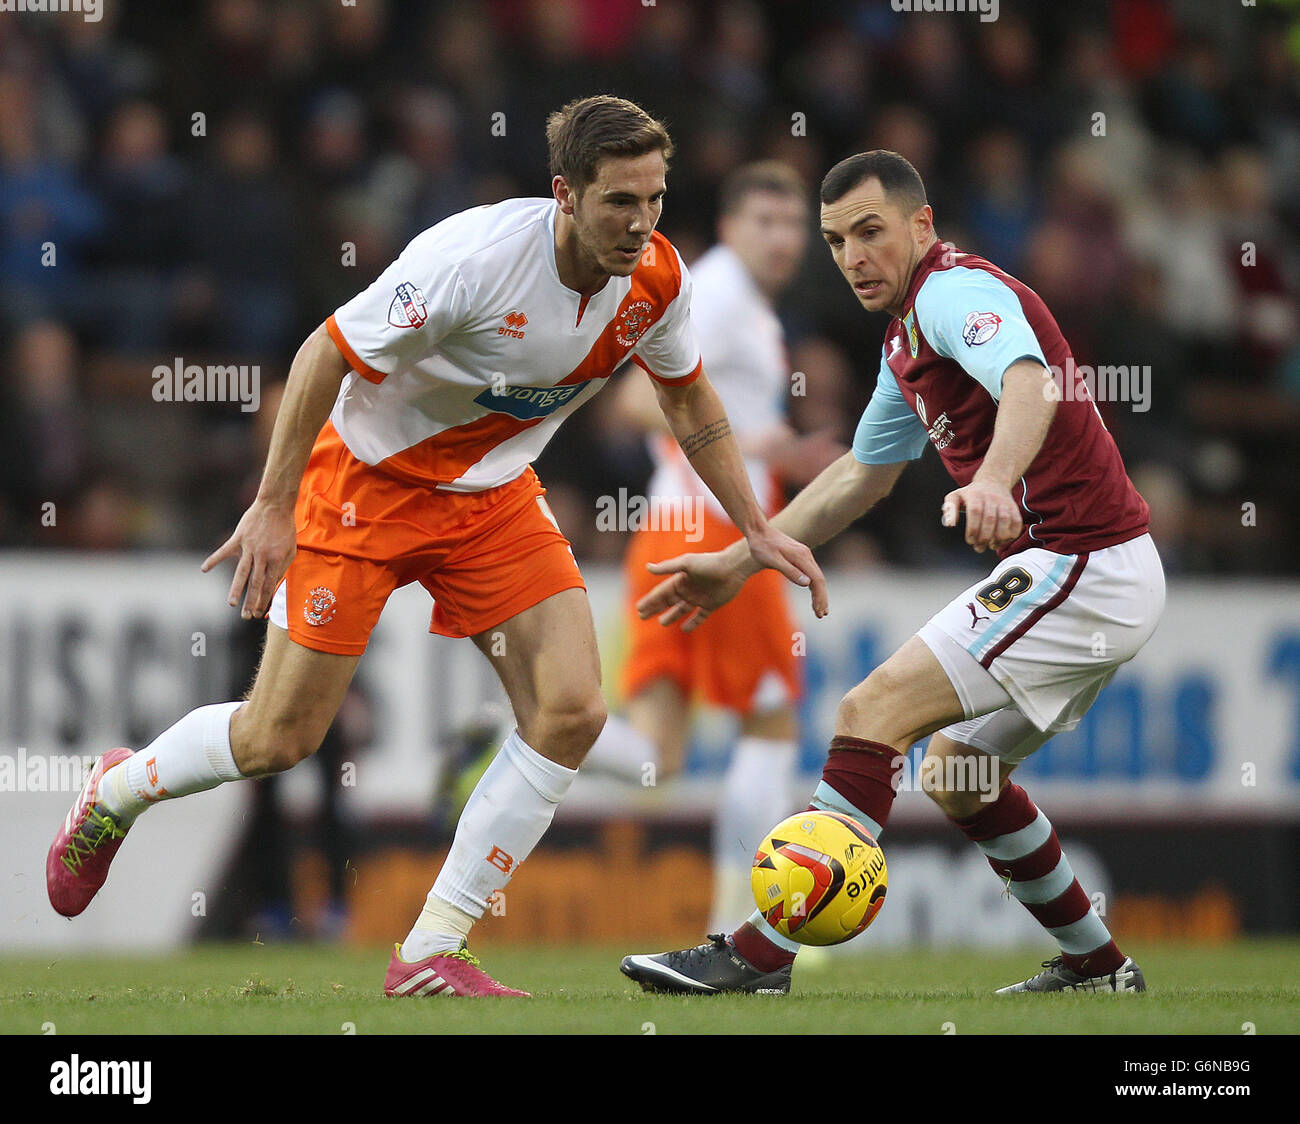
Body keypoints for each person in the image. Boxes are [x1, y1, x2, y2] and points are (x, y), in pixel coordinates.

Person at [45, 94, 824, 999]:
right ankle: (116, 793)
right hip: (368, 485)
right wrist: (272, 502)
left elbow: (689, 400)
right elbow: (322, 354)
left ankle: (432, 947)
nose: (641, 223)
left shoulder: (658, 278)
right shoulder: (473, 262)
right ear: (564, 194)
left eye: (654, 199)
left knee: (571, 712)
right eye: (620, 201)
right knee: (278, 738)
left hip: (492, 498)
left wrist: (756, 526)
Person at [620, 150, 1163, 996]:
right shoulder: (905, 336)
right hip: (1094, 571)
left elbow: (1028, 381)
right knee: (958, 775)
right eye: (836, 241)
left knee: (870, 711)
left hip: (1085, 562)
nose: (851, 257)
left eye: (870, 232)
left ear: (921, 225)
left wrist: (989, 481)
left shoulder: (952, 292)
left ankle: (759, 957)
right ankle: (1099, 966)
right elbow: (858, 476)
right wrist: (738, 557)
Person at [582, 160, 842, 931]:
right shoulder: (722, 291)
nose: (783, 238)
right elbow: (630, 399)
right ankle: (748, 927)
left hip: (666, 529)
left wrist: (772, 448)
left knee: (656, 755)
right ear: (730, 228)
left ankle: (513, 737)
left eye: (795, 224)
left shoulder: (743, 306)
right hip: (719, 535)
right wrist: (758, 442)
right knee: (770, 724)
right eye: (765, 221)